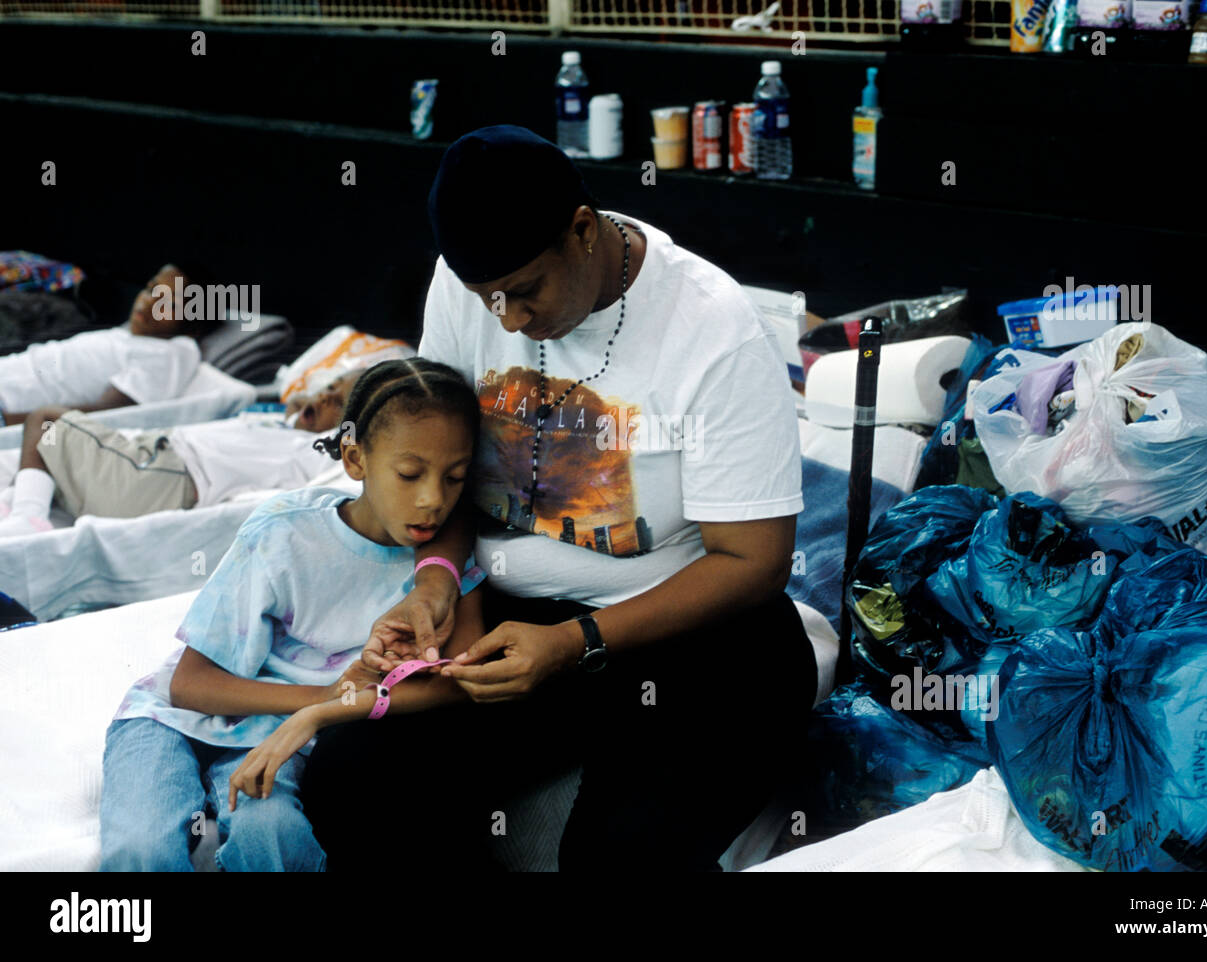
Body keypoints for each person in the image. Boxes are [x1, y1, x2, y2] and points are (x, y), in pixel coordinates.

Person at [299, 125, 817, 872]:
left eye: (525, 292)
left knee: (620, 853)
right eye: (489, 301)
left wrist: (579, 645)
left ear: (582, 232)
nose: (505, 319)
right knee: (355, 780)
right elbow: (446, 474)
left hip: (698, 635)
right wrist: (437, 587)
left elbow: (756, 560)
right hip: (517, 621)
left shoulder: (712, 329)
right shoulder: (468, 284)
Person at [98, 358, 485, 871]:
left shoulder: (450, 573)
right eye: (410, 473)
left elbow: (461, 680)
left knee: (273, 836)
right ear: (354, 458)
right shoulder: (284, 532)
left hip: (280, 735)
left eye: (455, 477)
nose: (433, 499)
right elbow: (188, 684)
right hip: (170, 720)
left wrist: (325, 712)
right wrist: (323, 700)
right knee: (140, 850)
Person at [0, 370, 363, 538]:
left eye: (341, 400)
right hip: (154, 467)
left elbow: (339, 441)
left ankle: (28, 518)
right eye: (329, 386)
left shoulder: (319, 450)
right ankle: (24, 504)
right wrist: (300, 410)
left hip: (157, 473)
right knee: (48, 453)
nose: (327, 396)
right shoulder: (279, 427)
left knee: (45, 421)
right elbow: (294, 408)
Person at [0, 264, 217, 428]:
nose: (148, 302)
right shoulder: (132, 336)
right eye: (151, 290)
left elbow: (109, 414)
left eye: (169, 303)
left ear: (194, 326)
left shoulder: (170, 353)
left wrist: (10, 421)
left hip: (8, 405)